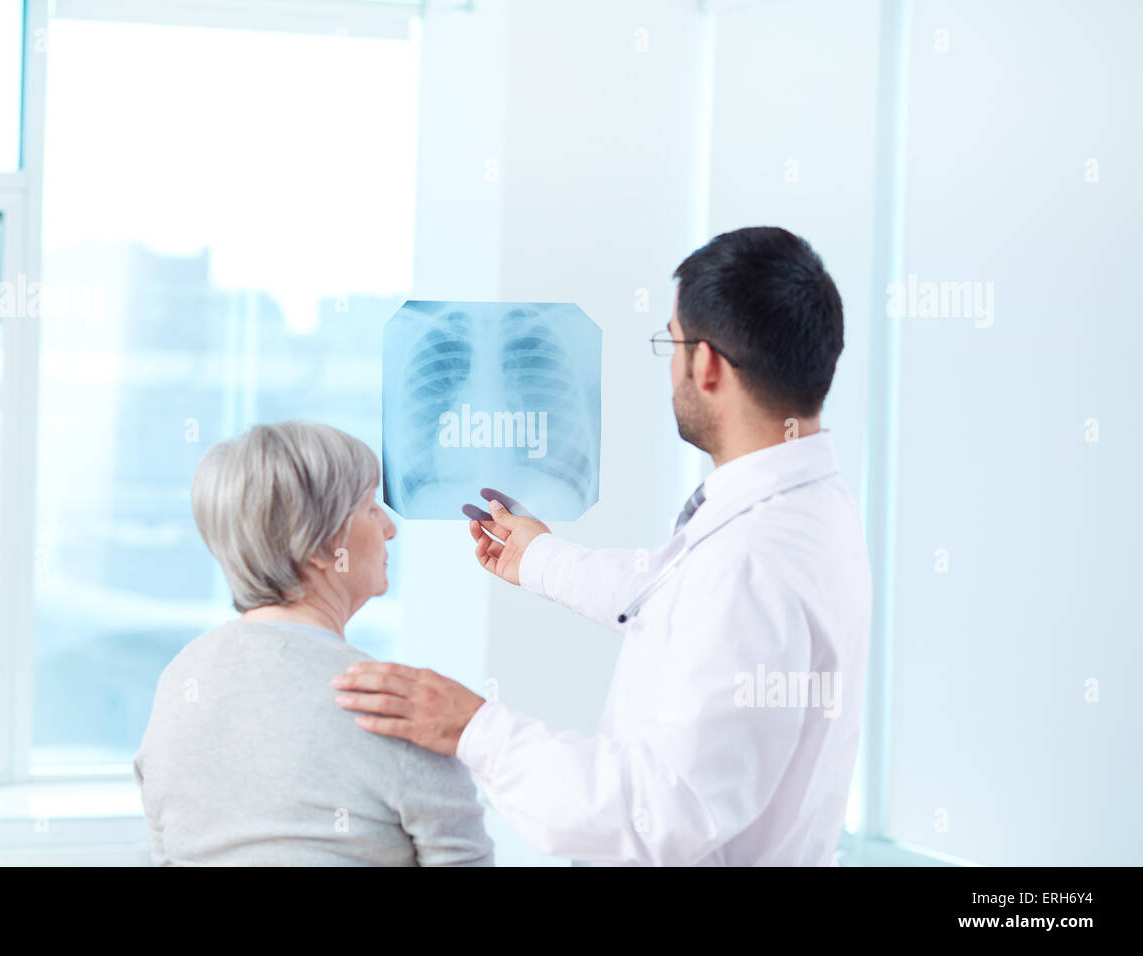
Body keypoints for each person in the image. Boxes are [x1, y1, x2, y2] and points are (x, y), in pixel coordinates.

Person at [332, 226, 871, 866]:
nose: (670, 364)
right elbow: (682, 608)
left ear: (707, 365)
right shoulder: (806, 510)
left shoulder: (750, 561)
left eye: (669, 343)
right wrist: (541, 559)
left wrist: (474, 726)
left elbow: (658, 817)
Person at [134, 421, 493, 866]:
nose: (389, 529)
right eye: (370, 508)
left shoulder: (181, 681)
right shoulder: (395, 704)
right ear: (321, 547)